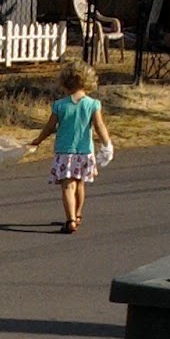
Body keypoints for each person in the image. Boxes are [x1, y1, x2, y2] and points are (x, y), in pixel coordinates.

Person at [29, 60, 111, 234]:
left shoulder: (60, 105)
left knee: (68, 186)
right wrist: (107, 143)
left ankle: (70, 219)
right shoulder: (92, 104)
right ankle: (78, 214)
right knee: (80, 184)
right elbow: (99, 126)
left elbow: (50, 127)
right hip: (84, 151)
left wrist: (39, 139)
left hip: (65, 152)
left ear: (65, 82)